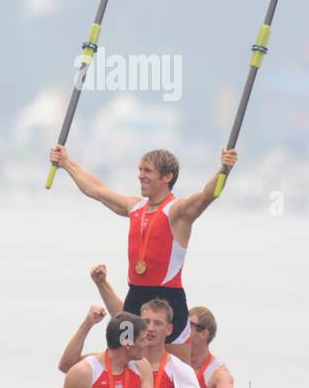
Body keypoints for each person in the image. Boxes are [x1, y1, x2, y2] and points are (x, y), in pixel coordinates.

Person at [48, 144, 237, 365]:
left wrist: (224, 168)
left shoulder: (178, 212)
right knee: (125, 361)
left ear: (167, 177)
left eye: (147, 171)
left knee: (177, 369)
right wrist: (66, 163)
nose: (140, 176)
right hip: (135, 299)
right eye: (140, 170)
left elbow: (207, 195)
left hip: (170, 299)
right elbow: (96, 190)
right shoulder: (134, 206)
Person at [59, 283, 206, 388]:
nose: (150, 329)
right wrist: (89, 323)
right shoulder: (106, 360)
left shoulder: (169, 367)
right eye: (145, 323)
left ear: (169, 329)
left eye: (157, 323)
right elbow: (66, 364)